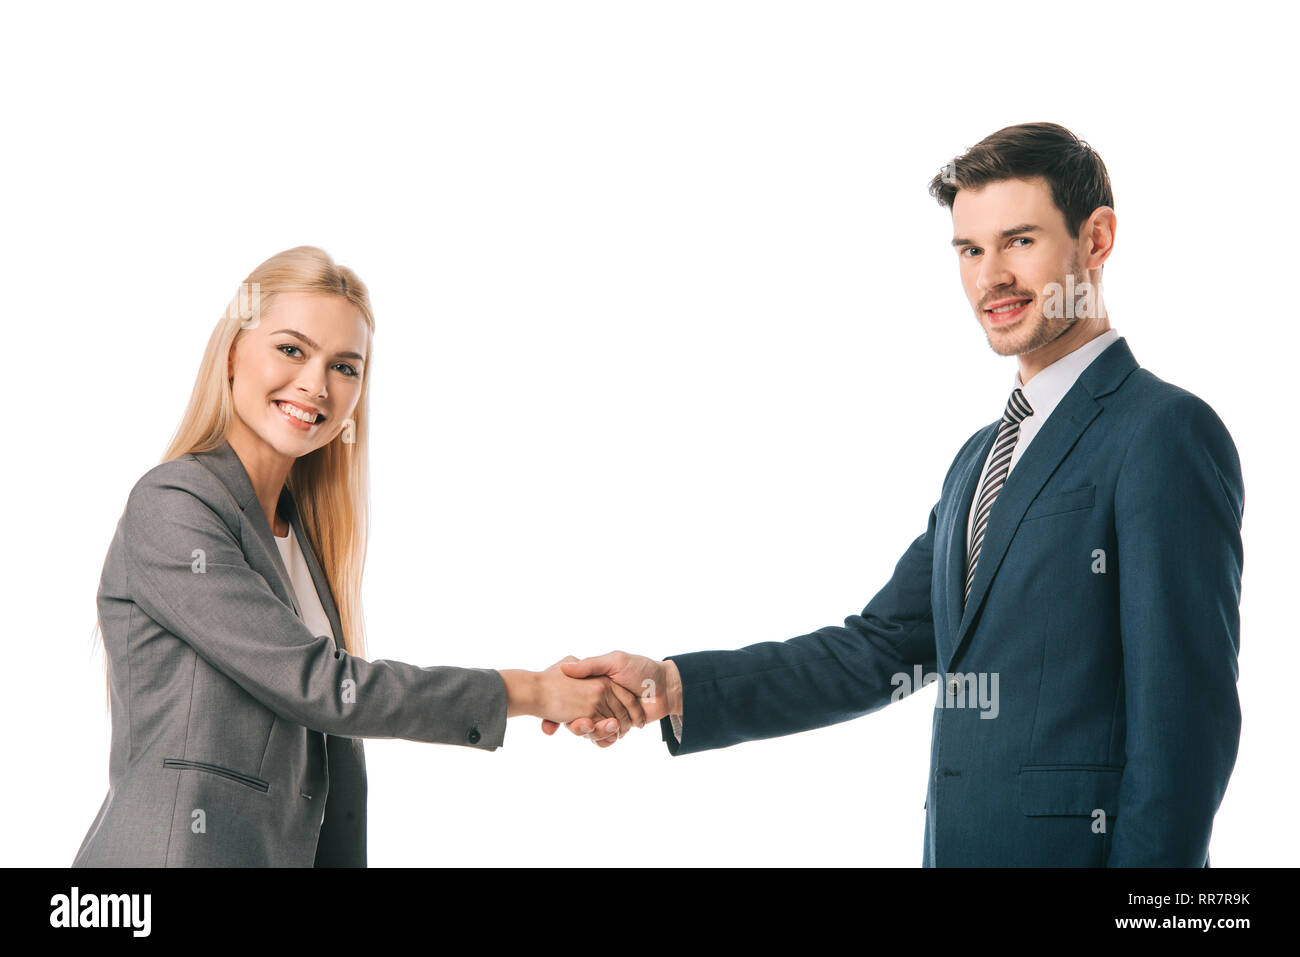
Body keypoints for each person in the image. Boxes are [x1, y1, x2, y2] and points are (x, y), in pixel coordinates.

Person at [552, 122, 1245, 867]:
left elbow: (1183, 730)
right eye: (970, 250)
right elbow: (876, 652)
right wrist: (670, 684)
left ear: (1097, 240)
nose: (990, 279)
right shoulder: (978, 459)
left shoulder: (1164, 433)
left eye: (1019, 241)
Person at [73, 246, 643, 867]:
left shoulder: (302, 536)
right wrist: (531, 691)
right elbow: (325, 688)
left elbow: (324, 750)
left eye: (345, 366)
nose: (315, 385)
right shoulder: (175, 503)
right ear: (234, 351)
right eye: (292, 349)